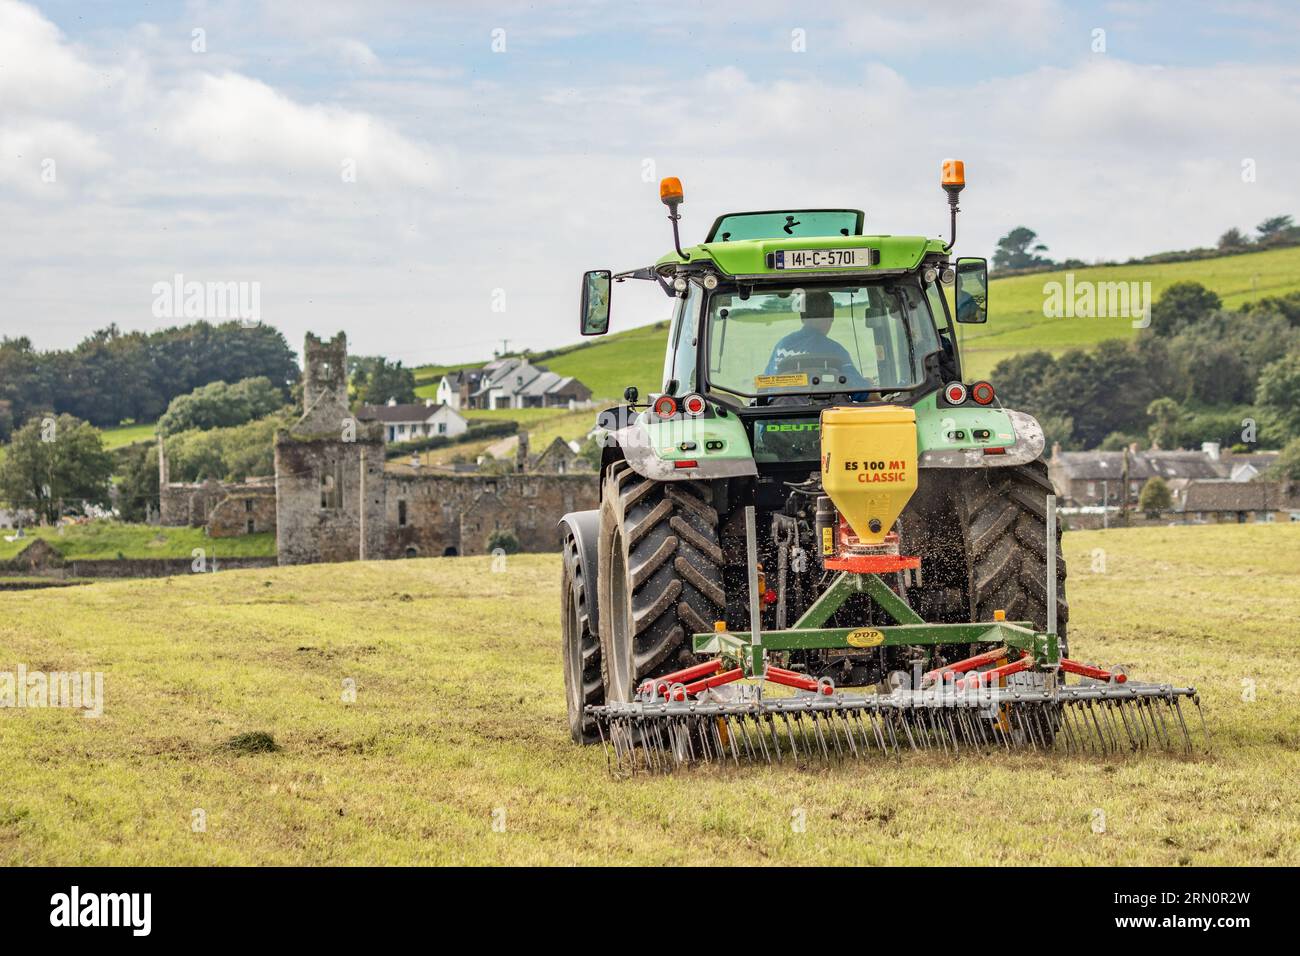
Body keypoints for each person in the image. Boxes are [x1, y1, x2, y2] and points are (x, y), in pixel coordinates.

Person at [763, 289, 871, 388]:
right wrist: (870, 389)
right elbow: (861, 391)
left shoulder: (782, 345)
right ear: (831, 317)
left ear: (802, 317)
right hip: (826, 408)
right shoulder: (835, 350)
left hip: (780, 408)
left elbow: (765, 386)